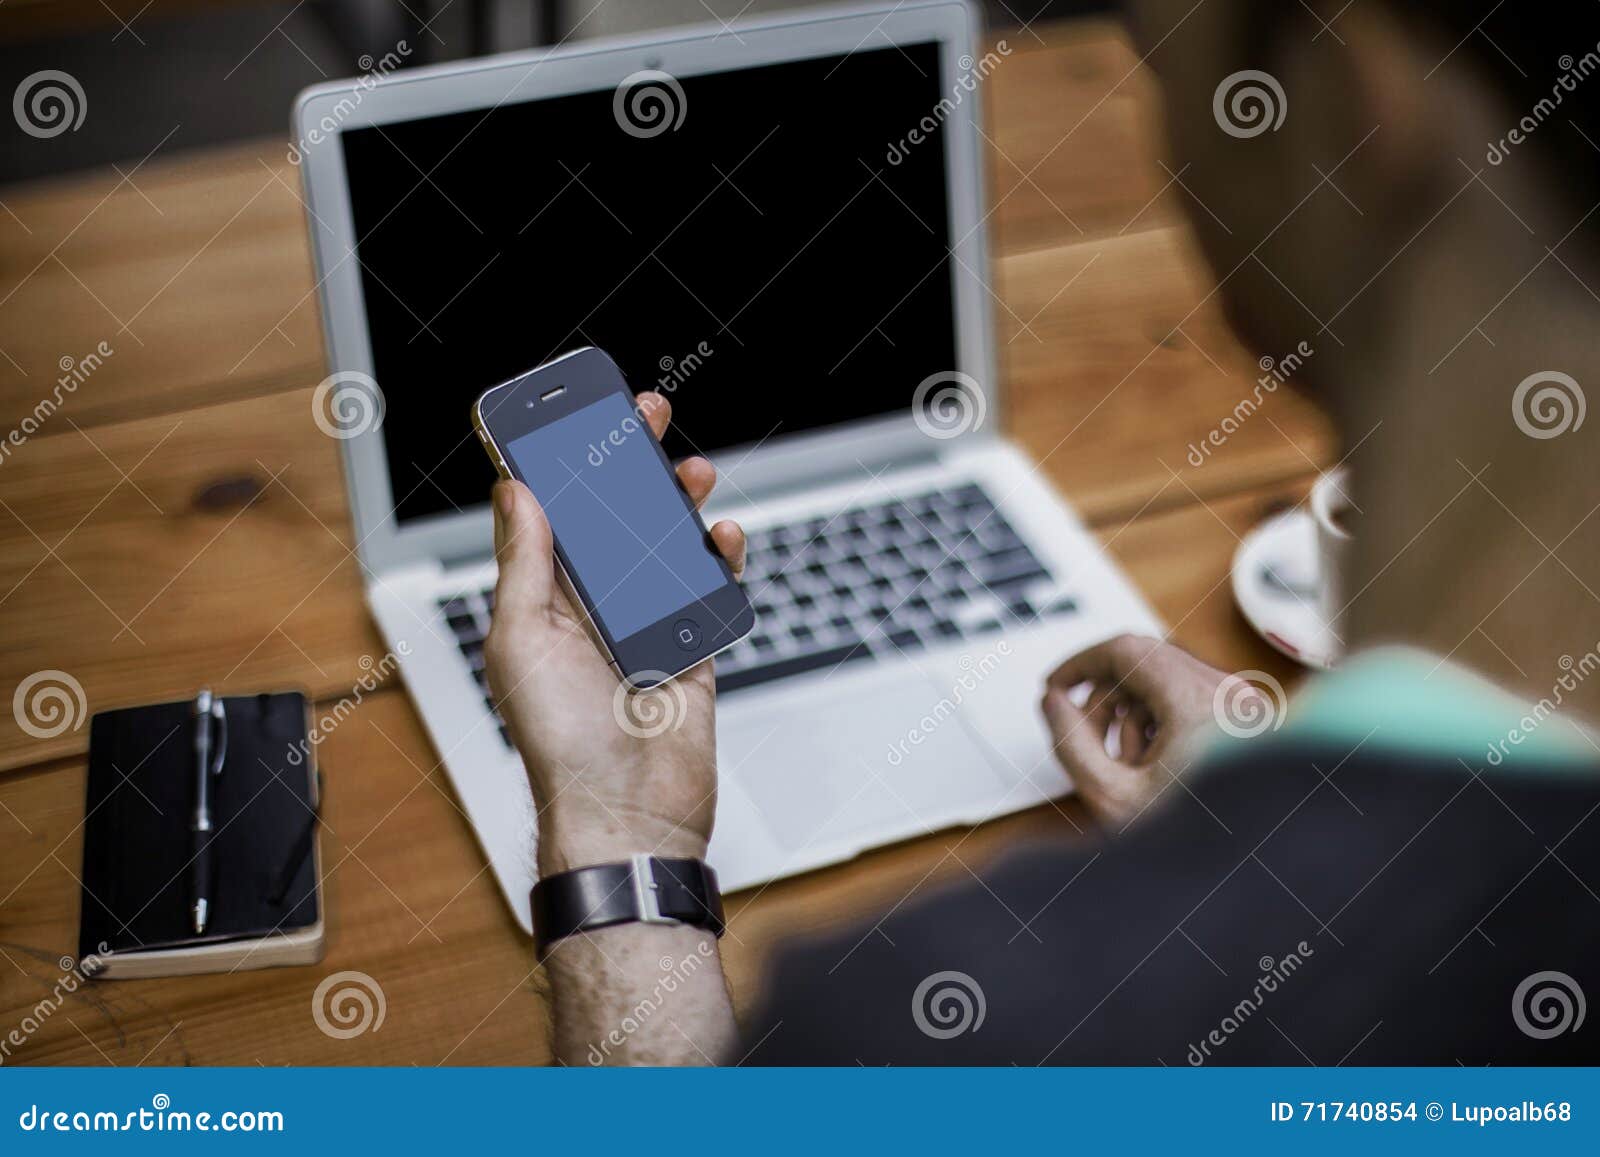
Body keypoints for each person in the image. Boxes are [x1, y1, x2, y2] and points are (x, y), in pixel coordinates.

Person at [484, 0, 1600, 1065]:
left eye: (1164, 66)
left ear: (1349, 114)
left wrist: (617, 836)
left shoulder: (955, 1032)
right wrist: (1285, 819)